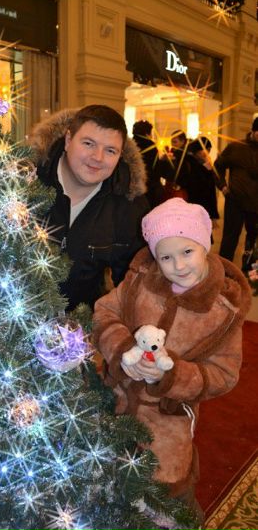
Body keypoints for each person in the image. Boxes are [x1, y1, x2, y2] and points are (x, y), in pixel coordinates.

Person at [93, 198, 251, 525]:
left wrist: (170, 375)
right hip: (115, 401)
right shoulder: (140, 281)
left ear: (205, 245)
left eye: (187, 251)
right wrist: (122, 350)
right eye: (166, 257)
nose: (178, 265)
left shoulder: (223, 309)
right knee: (108, 479)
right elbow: (104, 312)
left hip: (168, 421)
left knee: (168, 495)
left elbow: (223, 375)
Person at [30, 104, 149, 311]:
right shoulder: (27, 181)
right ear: (68, 140)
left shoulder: (129, 206)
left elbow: (134, 286)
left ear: (120, 155)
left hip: (80, 323)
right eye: (88, 143)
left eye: (110, 150)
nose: (98, 158)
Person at [214, 117, 258, 271]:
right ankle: (224, 272)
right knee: (229, 240)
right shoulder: (236, 147)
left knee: (253, 240)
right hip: (235, 201)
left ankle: (249, 272)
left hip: (256, 204)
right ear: (253, 131)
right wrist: (223, 187)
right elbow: (217, 167)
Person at [183, 137, 219, 224]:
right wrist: (206, 170)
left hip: (203, 210)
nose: (207, 153)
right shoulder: (189, 163)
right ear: (197, 150)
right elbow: (198, 187)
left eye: (209, 150)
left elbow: (211, 192)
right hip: (192, 209)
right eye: (205, 149)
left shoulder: (204, 164)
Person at [132, 119, 165, 208]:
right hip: (149, 186)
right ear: (147, 133)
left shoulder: (129, 145)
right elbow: (156, 169)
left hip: (132, 185)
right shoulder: (151, 146)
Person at [159, 129, 189, 201]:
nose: (172, 144)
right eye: (171, 142)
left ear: (183, 142)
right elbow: (164, 173)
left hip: (180, 189)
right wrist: (163, 160)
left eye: (175, 142)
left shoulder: (186, 155)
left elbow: (184, 173)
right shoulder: (171, 154)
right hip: (170, 187)